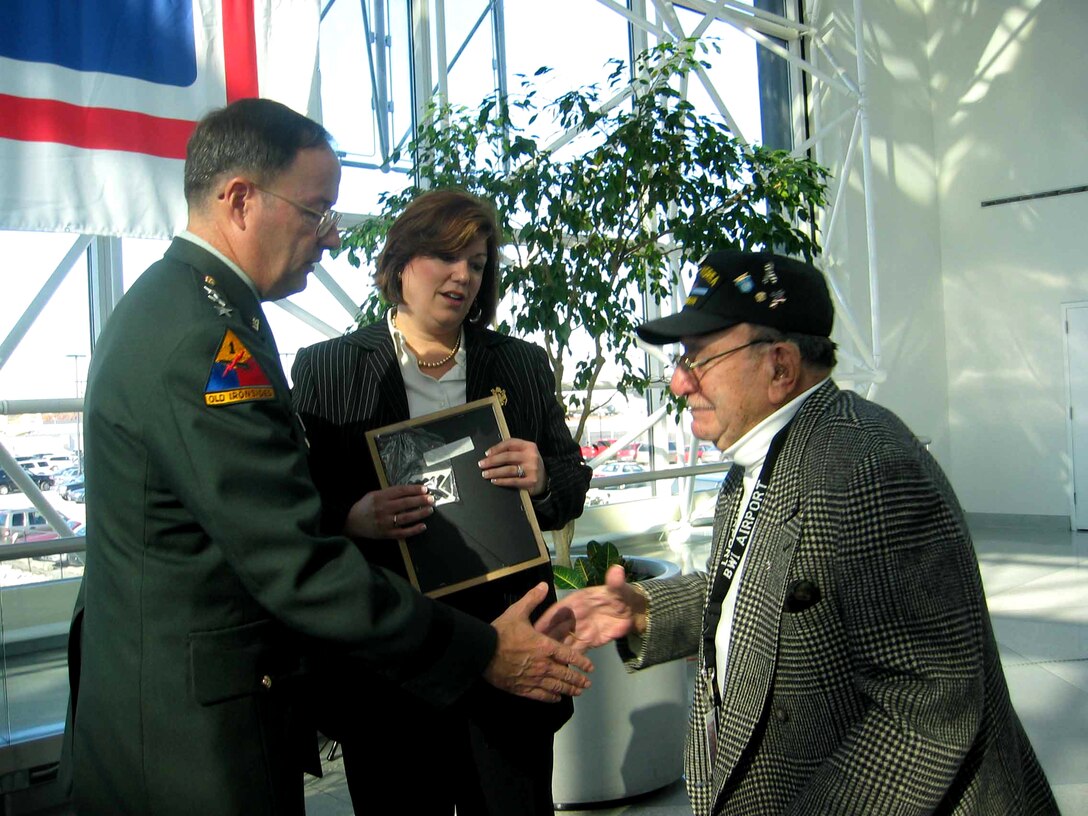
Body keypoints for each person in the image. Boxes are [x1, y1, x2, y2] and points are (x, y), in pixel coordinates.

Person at [62, 99, 594, 816]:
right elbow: (296, 558)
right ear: (241, 200)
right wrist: (479, 652)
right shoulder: (207, 339)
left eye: (477, 261)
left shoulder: (188, 311)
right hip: (197, 736)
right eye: (315, 211)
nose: (328, 235)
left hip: (186, 707)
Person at [536, 250, 1059, 815]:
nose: (680, 382)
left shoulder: (868, 469)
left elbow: (928, 703)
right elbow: (769, 588)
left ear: (780, 367)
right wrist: (643, 610)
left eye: (699, 358)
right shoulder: (759, 459)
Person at [290, 188, 592, 815]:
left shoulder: (521, 365)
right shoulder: (329, 367)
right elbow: (297, 503)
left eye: (477, 264)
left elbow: (571, 480)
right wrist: (352, 517)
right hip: (398, 661)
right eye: (444, 256)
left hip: (512, 647)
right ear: (400, 261)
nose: (462, 276)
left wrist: (542, 477)